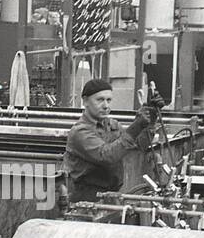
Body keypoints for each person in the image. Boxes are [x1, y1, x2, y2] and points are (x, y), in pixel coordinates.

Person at [63, 78, 158, 208]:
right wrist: (135, 127)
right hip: (86, 200)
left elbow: (139, 145)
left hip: (111, 195)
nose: (106, 105)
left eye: (108, 100)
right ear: (85, 101)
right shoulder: (80, 132)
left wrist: (150, 122)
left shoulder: (112, 125)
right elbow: (107, 155)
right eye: (100, 100)